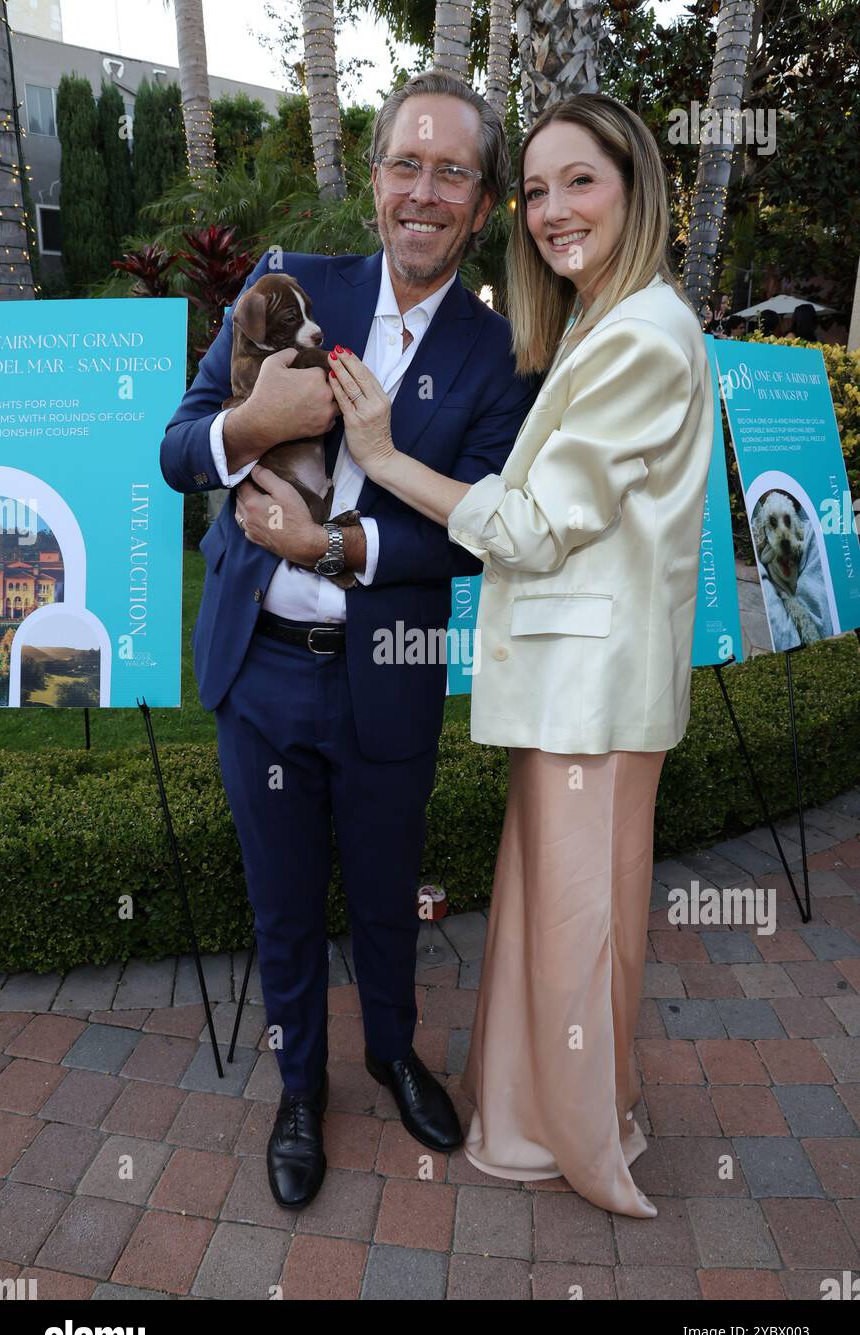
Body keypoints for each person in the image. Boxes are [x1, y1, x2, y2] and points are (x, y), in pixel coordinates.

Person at [326, 93, 714, 1219]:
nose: (551, 212)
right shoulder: (611, 320)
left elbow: (535, 526)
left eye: (576, 182)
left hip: (588, 694)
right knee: (560, 917)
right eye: (536, 190)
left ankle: (581, 1138)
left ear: (633, 187)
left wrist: (385, 458)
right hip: (572, 689)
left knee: (577, 929)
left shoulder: (638, 335)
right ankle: (541, 1120)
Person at [159, 71, 540, 1209]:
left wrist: (339, 548)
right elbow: (180, 448)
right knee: (279, 898)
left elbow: (473, 532)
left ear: (480, 208)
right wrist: (255, 423)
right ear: (375, 178)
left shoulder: (499, 353)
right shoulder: (287, 286)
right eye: (405, 164)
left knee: (383, 889)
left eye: (452, 173)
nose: (423, 192)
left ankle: (388, 1048)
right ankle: (298, 1088)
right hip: (260, 668)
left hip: (390, 669)